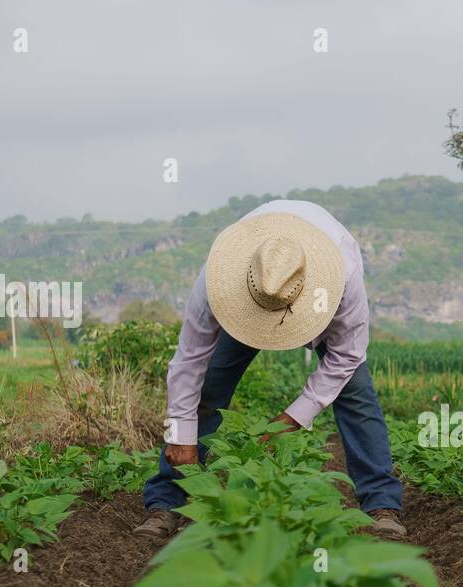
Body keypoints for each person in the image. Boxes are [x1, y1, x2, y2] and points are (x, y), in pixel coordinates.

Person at [133, 199, 405, 539]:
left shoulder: (342, 277)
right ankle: (166, 503)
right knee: (209, 388)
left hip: (320, 304)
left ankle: (381, 503)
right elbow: (188, 361)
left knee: (356, 395)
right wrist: (180, 435)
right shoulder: (218, 281)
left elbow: (347, 356)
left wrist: (293, 418)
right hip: (248, 306)